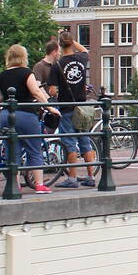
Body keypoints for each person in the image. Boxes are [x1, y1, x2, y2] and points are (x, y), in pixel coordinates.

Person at [0, 43, 61, 194]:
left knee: (12, 151)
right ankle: (39, 185)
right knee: (34, 149)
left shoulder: (1, 75)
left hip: (6, 116)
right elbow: (36, 92)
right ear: (23, 57)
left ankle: (14, 185)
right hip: (25, 115)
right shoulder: (26, 73)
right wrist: (50, 108)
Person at [50, 31, 98, 188]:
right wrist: (72, 40)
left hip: (67, 108)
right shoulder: (81, 59)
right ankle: (91, 177)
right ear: (71, 43)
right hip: (82, 108)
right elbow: (85, 50)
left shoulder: (57, 65)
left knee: (69, 142)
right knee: (85, 142)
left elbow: (52, 91)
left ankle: (72, 178)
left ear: (59, 45)